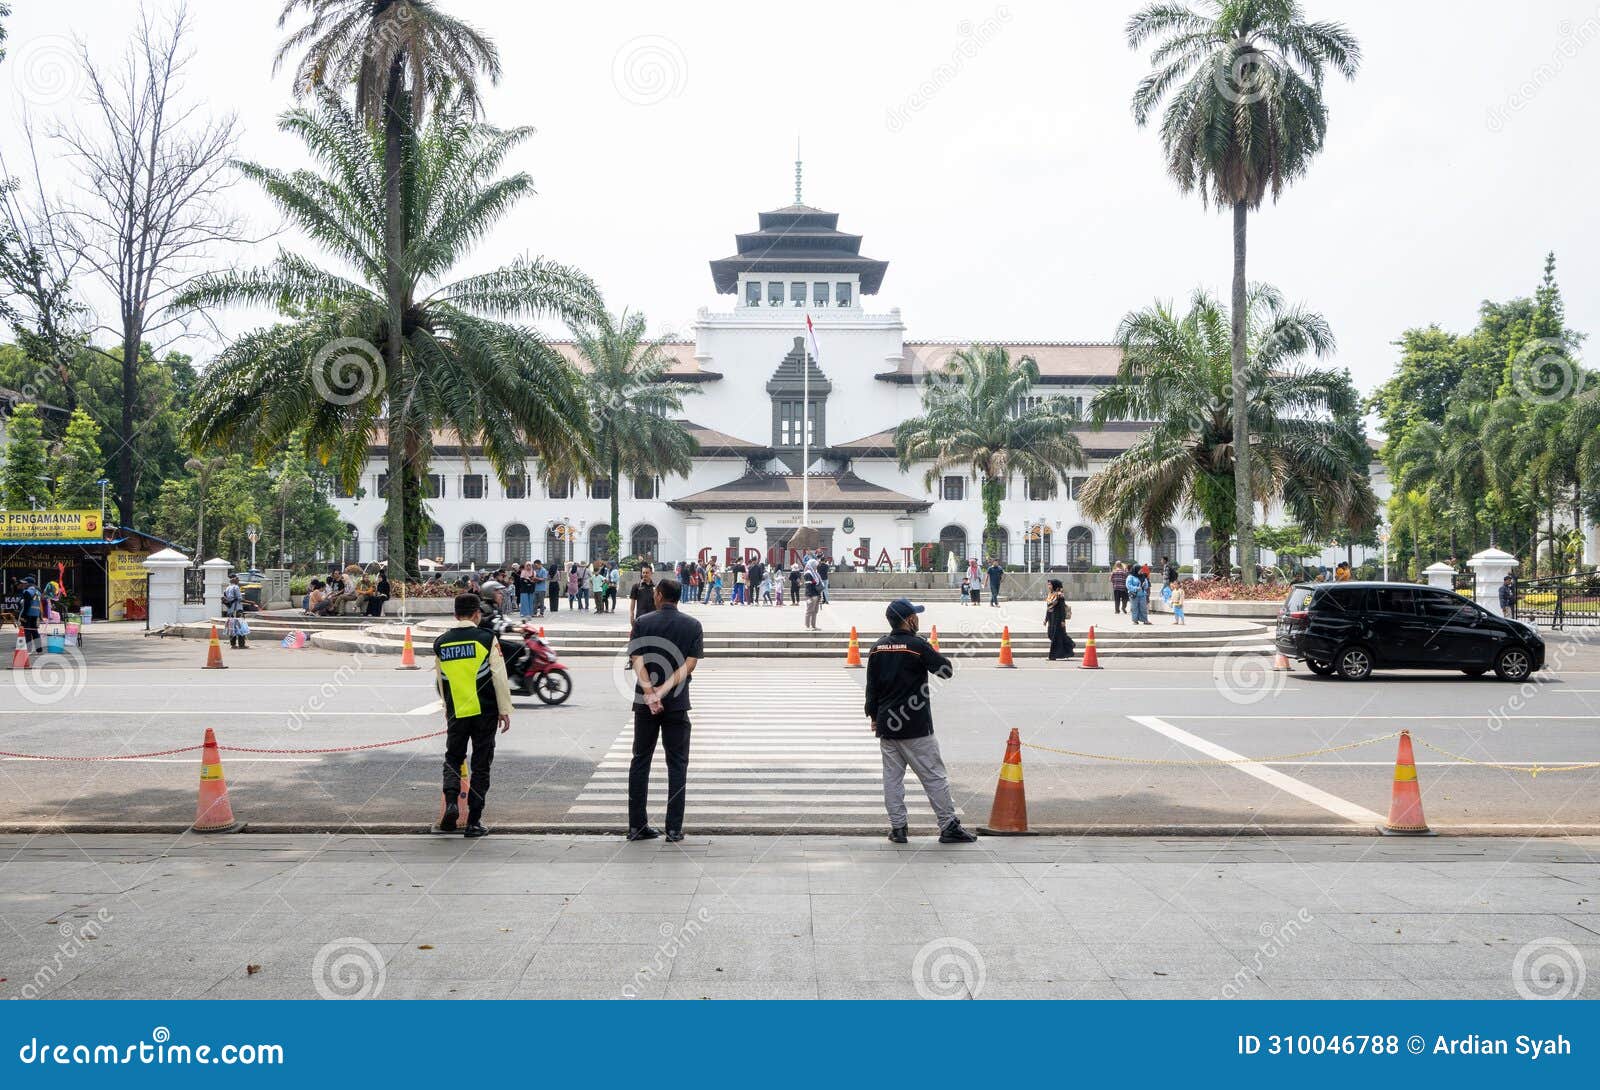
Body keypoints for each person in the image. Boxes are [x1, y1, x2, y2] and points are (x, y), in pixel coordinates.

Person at [865, 598, 977, 844]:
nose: (918, 619)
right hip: (915, 726)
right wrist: (934, 653)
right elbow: (945, 671)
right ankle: (948, 826)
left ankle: (898, 829)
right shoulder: (917, 645)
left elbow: (871, 688)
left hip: (887, 725)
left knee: (892, 779)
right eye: (915, 615)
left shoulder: (877, 647)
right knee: (934, 776)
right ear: (910, 620)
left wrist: (873, 717)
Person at [626, 577, 703, 842]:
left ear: (658, 595)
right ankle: (673, 828)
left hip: (644, 704)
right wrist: (665, 689)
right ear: (678, 597)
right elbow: (689, 664)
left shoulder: (642, 622)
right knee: (677, 763)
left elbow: (636, 659)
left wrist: (650, 691)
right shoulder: (692, 625)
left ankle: (637, 826)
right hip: (678, 702)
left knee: (640, 760)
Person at [432, 594, 513, 838]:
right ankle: (474, 821)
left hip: (457, 711)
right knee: (481, 764)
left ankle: (453, 804)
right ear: (477, 614)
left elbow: (441, 680)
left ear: (455, 615)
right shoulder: (487, 639)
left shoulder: (442, 643)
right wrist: (504, 710)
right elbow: (499, 676)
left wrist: (448, 709)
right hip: (485, 712)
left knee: (453, 758)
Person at [1045, 579, 1074, 661]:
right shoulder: (1050, 595)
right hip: (1051, 618)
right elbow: (1048, 608)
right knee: (1050, 634)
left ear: (1054, 586)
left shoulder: (1059, 596)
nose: (1049, 586)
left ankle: (1052, 656)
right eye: (1048, 584)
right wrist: (1046, 619)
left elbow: (1062, 609)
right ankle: (1069, 644)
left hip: (1058, 619)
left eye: (1050, 584)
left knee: (1054, 637)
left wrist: (1062, 621)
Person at [221, 573, 249, 650]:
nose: (239, 581)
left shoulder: (227, 588)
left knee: (232, 627)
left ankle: (233, 644)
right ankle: (241, 644)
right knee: (240, 627)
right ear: (235, 581)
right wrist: (251, 602)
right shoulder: (236, 587)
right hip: (237, 610)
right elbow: (240, 599)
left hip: (230, 611)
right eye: (238, 579)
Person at [17, 576, 42, 654]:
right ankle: (39, 649)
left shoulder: (28, 591)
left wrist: (23, 615)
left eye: (25, 583)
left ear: (28, 583)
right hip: (35, 613)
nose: (23, 585)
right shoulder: (38, 592)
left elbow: (27, 604)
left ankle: (28, 649)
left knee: (27, 630)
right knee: (34, 631)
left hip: (28, 613)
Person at [802, 556, 823, 629]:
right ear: (812, 565)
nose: (816, 567)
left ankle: (813, 625)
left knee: (815, 611)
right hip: (811, 595)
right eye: (815, 565)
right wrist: (809, 597)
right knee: (809, 611)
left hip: (816, 594)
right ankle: (807, 626)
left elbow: (818, 584)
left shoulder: (815, 574)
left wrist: (819, 595)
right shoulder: (808, 574)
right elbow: (808, 586)